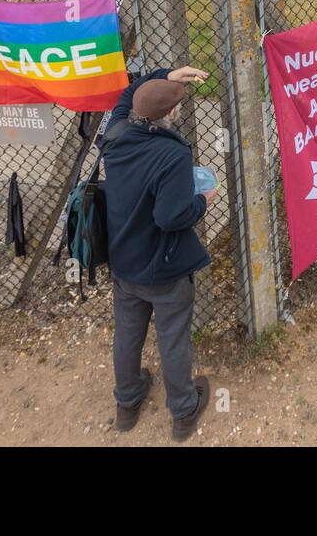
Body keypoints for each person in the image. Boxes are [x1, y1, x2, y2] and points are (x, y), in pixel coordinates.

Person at [104, 64, 214, 440]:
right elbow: (172, 217)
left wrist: (165, 74)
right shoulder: (172, 156)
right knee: (172, 337)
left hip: (124, 262)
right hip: (163, 268)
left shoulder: (115, 133)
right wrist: (203, 201)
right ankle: (183, 411)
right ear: (169, 114)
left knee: (128, 333)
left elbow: (127, 93)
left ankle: (127, 403)